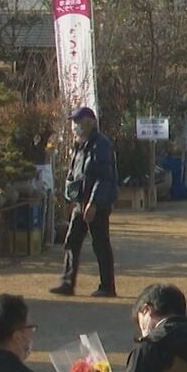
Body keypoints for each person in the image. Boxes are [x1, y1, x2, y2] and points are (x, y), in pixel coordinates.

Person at [52, 106, 119, 298]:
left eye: (78, 122)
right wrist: (71, 197)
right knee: (72, 241)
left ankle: (107, 286)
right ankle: (67, 283)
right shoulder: (80, 145)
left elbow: (104, 177)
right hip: (81, 202)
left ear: (89, 122)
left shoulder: (101, 144)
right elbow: (75, 174)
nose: (75, 126)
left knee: (100, 244)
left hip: (96, 202)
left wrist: (94, 203)